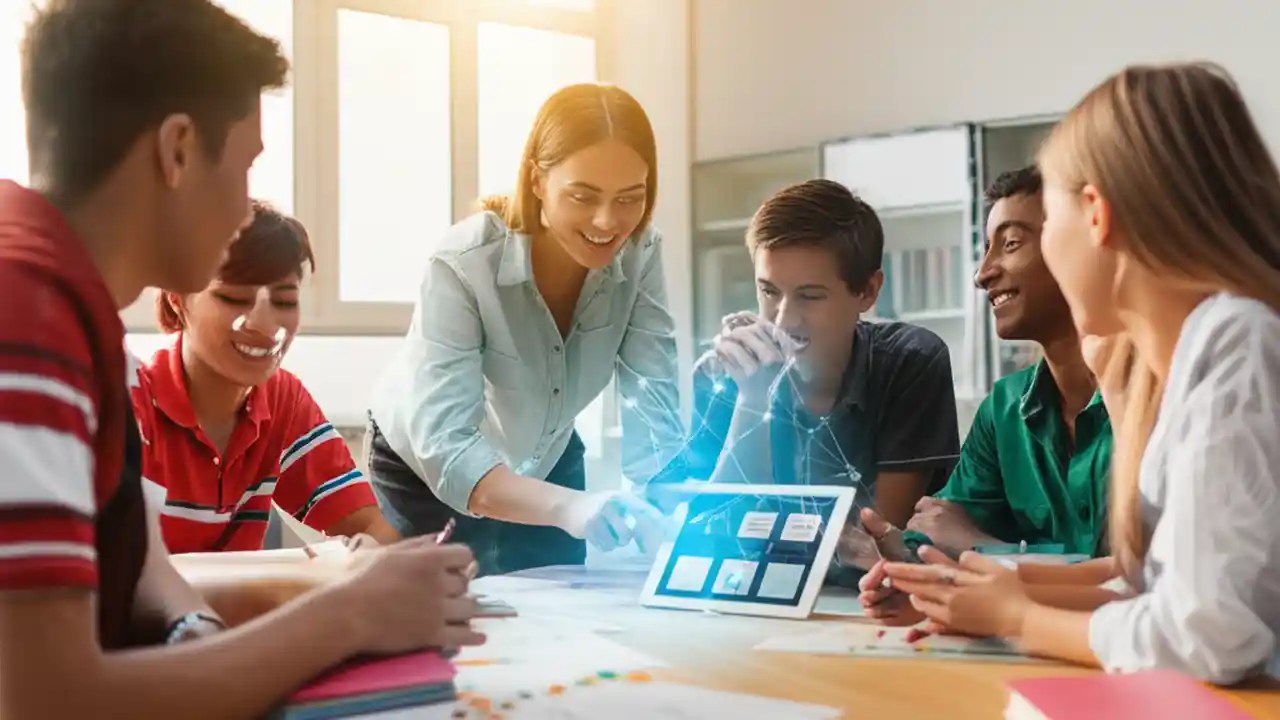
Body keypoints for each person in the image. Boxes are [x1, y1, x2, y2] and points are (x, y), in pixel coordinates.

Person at [0, 2, 480, 717]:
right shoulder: (26, 321)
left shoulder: (71, 311)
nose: (243, 209)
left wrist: (210, 623)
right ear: (179, 150)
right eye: (248, 163)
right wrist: (346, 616)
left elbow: (137, 572)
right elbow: (45, 699)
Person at [883, 62, 1280, 685]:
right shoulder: (1207, 352)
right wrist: (982, 589)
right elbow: (1150, 582)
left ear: (1095, 214)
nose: (985, 272)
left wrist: (1019, 617)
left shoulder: (1237, 342)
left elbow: (1206, 634)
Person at [366, 83, 684, 576]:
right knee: (442, 620)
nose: (608, 221)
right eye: (583, 196)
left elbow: (654, 405)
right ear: (537, 181)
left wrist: (678, 517)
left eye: (630, 198)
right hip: (428, 467)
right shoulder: (464, 261)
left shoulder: (641, 253)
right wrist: (570, 508)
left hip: (544, 452)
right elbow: (448, 447)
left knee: (564, 618)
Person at [855, 167, 1114, 624]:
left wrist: (989, 552)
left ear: (1084, 242)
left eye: (1011, 244)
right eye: (987, 248)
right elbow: (939, 526)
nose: (982, 274)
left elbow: (1143, 578)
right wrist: (919, 577)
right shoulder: (1005, 408)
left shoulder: (1156, 397)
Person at [652, 179, 960, 542]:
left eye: (810, 296)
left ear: (868, 291)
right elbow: (713, 537)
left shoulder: (910, 361)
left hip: (868, 594)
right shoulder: (722, 374)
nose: (783, 319)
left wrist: (772, 532)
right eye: (768, 291)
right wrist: (752, 399)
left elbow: (879, 541)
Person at [133, 202, 399, 554]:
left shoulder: (281, 399)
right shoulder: (134, 404)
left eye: (286, 302)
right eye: (233, 298)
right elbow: (127, 579)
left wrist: (379, 557)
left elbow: (370, 527)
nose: (263, 325)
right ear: (178, 298)